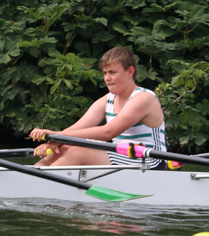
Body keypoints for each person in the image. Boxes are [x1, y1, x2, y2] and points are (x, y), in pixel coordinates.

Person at [30, 47, 167, 168]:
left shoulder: (144, 98)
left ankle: (39, 187)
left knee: (77, 151)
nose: (107, 78)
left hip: (151, 161)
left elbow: (107, 132)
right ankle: (28, 180)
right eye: (105, 73)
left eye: (112, 72)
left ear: (130, 71)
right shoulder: (108, 99)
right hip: (122, 155)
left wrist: (56, 136)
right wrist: (54, 142)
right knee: (65, 147)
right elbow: (77, 128)